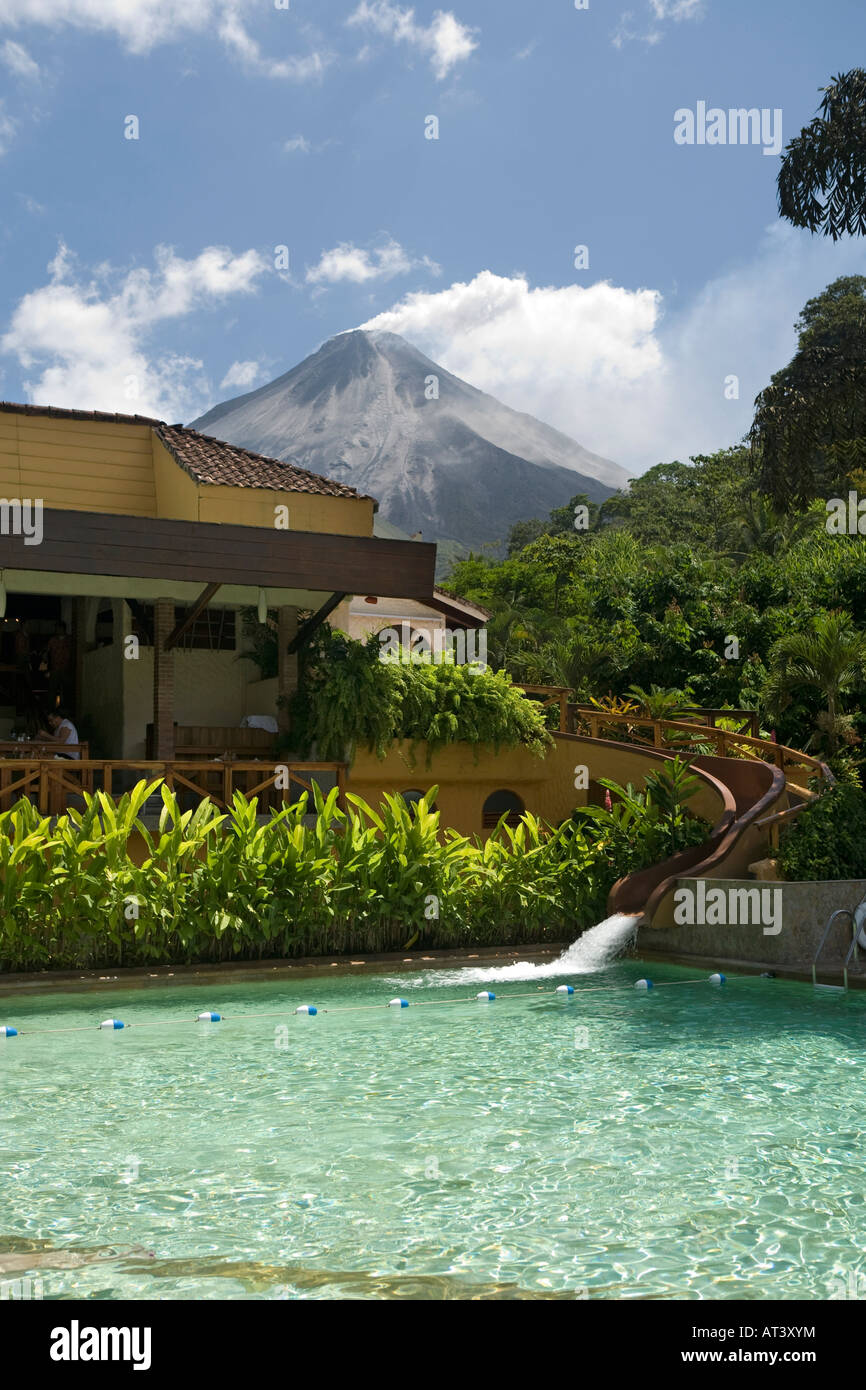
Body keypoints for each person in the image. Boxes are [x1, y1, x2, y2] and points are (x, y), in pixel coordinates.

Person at [41, 621, 72, 704]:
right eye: (56, 629)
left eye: (58, 629)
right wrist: (45, 665)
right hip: (54, 668)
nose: (56, 630)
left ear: (62, 629)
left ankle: (65, 708)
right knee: (52, 690)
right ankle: (51, 709)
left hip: (66, 668)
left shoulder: (69, 640)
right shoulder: (53, 640)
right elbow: (46, 652)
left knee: (66, 690)